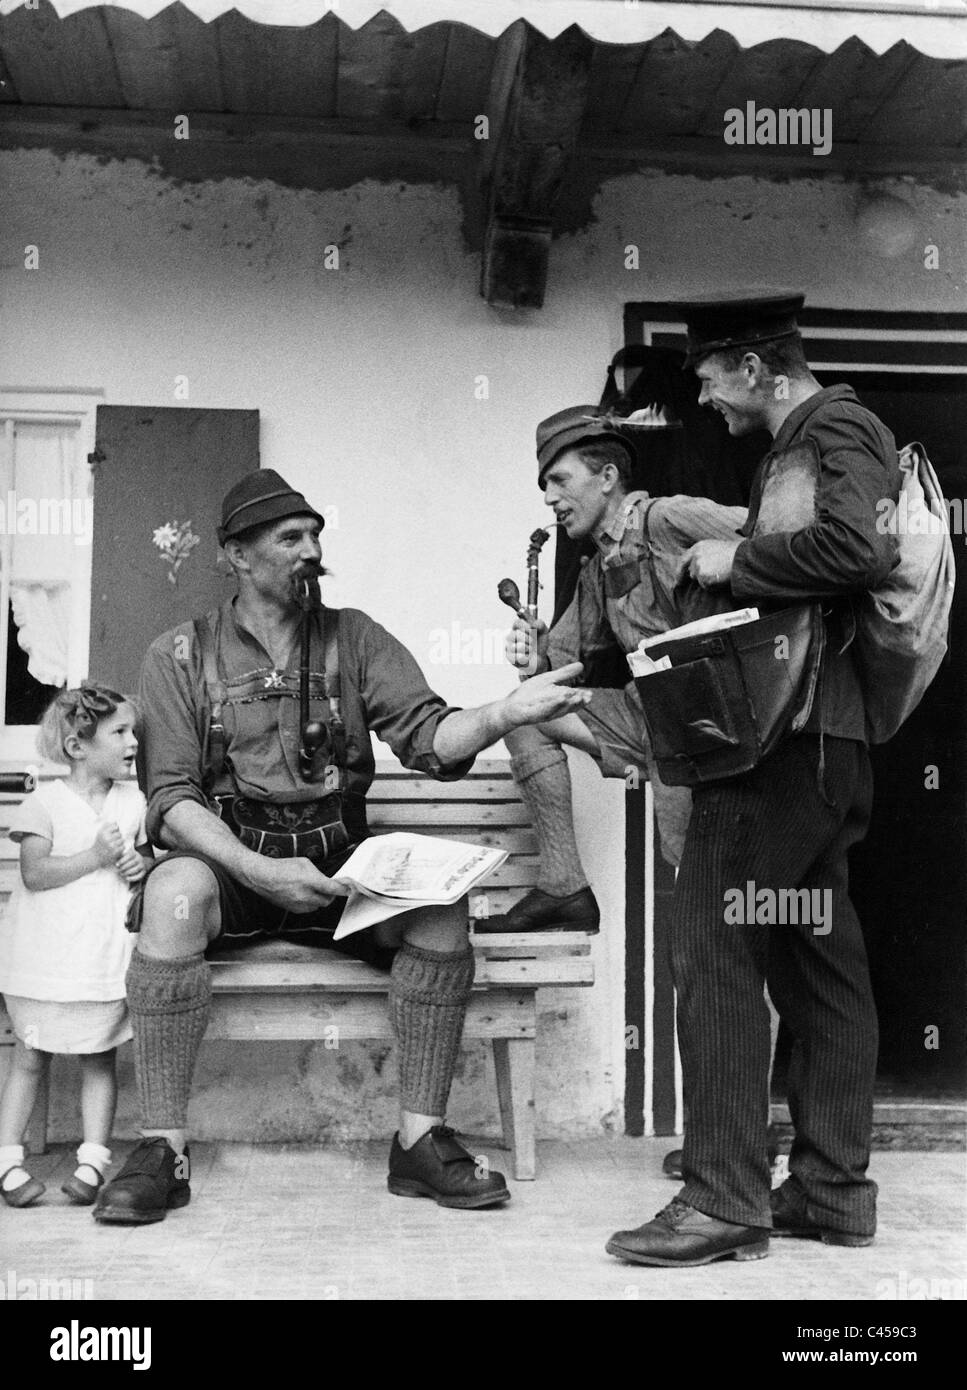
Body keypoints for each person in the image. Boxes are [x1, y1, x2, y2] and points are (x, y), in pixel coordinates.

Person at [92, 469, 590, 1225]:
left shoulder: (354, 637)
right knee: (171, 893)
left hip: (335, 864)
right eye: (290, 538)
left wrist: (503, 712)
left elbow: (430, 739)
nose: (311, 550)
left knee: (439, 907)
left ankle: (419, 1142)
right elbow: (169, 802)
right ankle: (163, 1148)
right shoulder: (180, 656)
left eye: (315, 535)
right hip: (234, 865)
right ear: (236, 554)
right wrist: (259, 869)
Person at [606, 291, 899, 1266]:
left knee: (715, 951)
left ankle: (723, 1198)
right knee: (820, 966)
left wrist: (735, 557)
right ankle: (828, 1192)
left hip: (785, 754)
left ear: (757, 368)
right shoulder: (793, 447)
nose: (704, 396)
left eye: (709, 378)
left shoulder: (836, 424)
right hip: (820, 752)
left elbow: (859, 547)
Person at [484, 405, 746, 933]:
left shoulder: (667, 517)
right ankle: (564, 885)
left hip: (711, 724)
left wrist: (732, 554)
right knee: (527, 716)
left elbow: (787, 538)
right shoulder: (597, 565)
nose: (549, 498)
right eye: (545, 485)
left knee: (703, 881)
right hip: (650, 714)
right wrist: (535, 662)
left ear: (607, 478)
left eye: (559, 480)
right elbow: (558, 668)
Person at [0, 684, 150, 1207]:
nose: (134, 742)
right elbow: (37, 874)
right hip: (44, 959)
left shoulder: (134, 803)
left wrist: (139, 866)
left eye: (134, 731)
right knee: (29, 1057)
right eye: (121, 732)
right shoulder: (44, 803)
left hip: (101, 958)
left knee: (99, 1056)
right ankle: (7, 1161)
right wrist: (95, 856)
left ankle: (92, 1161)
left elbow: (147, 864)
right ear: (78, 746)